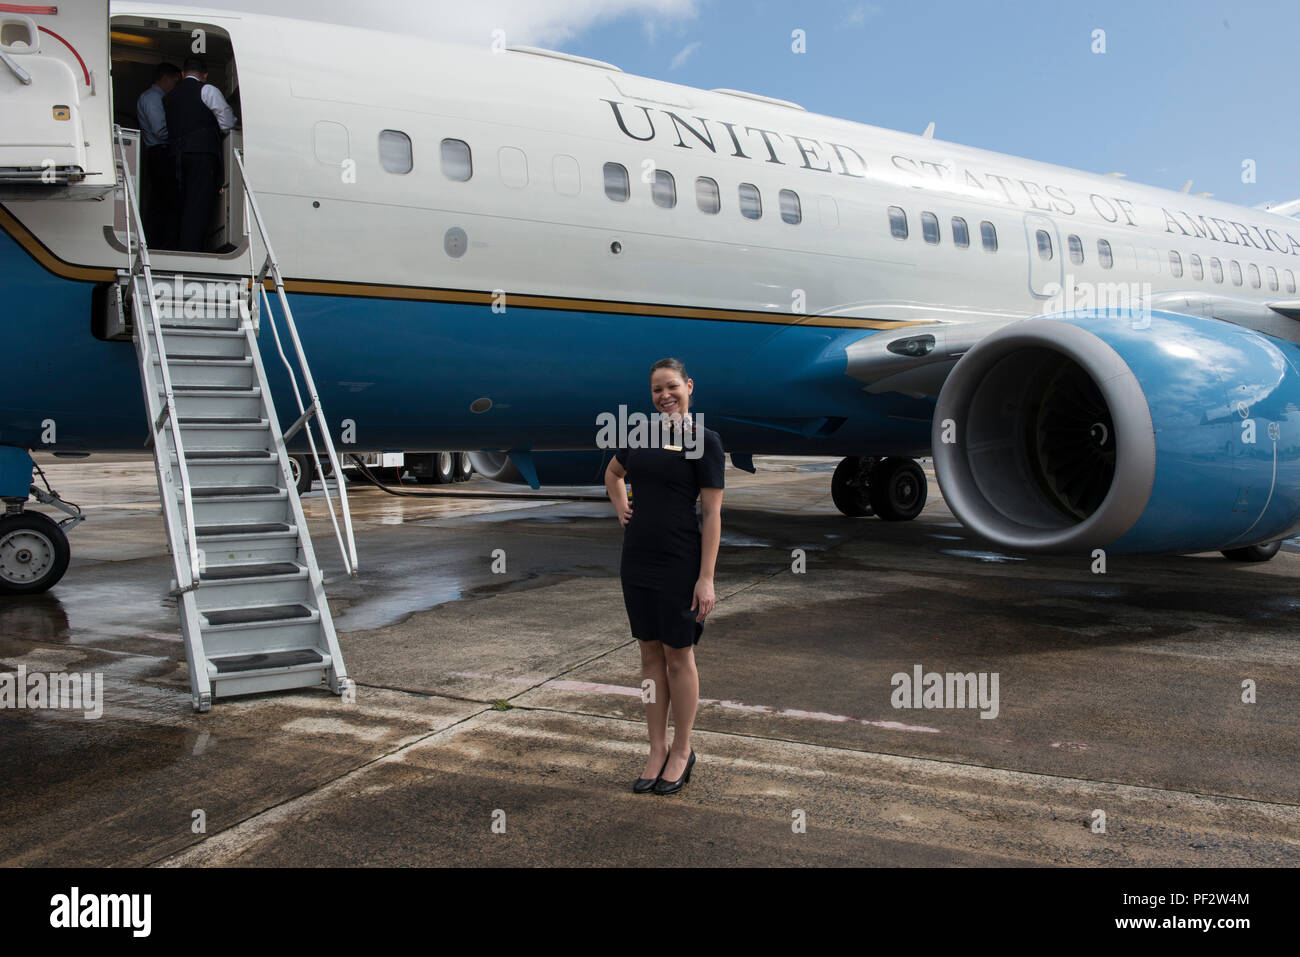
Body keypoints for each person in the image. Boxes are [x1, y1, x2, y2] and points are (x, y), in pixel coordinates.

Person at [605, 358, 724, 795]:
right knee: (649, 657)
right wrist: (620, 504)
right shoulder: (638, 434)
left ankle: (682, 749)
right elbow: (613, 475)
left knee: (678, 656)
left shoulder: (703, 440)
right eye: (657, 389)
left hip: (680, 561)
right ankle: (655, 748)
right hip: (637, 559)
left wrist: (706, 578)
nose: (664, 396)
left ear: (689, 386)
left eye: (672, 387)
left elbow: (711, 514)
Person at [163, 56, 237, 252]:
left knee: (178, 202)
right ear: (204, 75)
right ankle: (192, 249)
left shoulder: (168, 96)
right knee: (198, 202)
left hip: (174, 155)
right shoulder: (207, 90)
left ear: (182, 73)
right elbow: (227, 121)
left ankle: (174, 246)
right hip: (201, 153)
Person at [135, 62, 181, 248]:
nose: (175, 86)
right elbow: (160, 131)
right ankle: (159, 243)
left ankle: (157, 240)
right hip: (160, 153)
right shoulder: (153, 98)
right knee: (164, 201)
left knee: (160, 201)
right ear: (165, 78)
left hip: (158, 154)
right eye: (175, 81)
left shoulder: (152, 97)